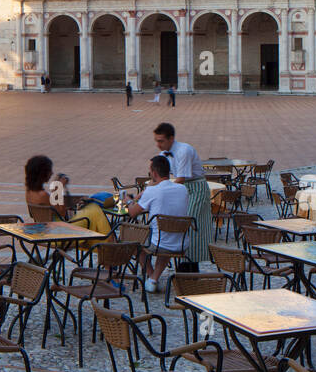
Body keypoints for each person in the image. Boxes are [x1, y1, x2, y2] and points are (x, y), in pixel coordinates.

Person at [152, 122, 210, 269]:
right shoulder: (163, 154)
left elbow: (181, 179)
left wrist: (160, 191)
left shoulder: (184, 150)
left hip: (195, 188)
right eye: (156, 141)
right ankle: (182, 265)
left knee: (191, 225)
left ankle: (190, 267)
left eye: (161, 141)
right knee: (179, 224)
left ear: (171, 139)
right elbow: (161, 178)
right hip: (180, 188)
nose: (158, 144)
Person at [126, 155, 189, 290]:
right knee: (164, 237)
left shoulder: (152, 191)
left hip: (160, 243)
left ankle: (150, 276)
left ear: (154, 173)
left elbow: (132, 213)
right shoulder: (183, 189)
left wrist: (128, 200)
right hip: (180, 242)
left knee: (132, 239)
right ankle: (153, 279)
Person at [24, 155, 112, 237]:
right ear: (43, 173)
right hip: (58, 231)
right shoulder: (42, 195)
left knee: (92, 211)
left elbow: (54, 207)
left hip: (46, 229)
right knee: (94, 209)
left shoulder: (29, 192)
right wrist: (58, 188)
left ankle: (107, 239)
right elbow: (62, 213)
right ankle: (108, 240)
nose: (52, 173)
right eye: (49, 170)